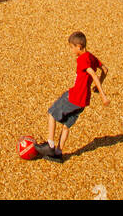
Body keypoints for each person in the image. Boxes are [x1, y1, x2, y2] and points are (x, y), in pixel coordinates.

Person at [36, 32, 109, 163]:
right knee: (66, 126)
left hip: (75, 96)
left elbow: (92, 73)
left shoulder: (82, 60)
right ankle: (58, 153)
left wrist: (103, 95)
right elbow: (105, 69)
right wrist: (99, 85)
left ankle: (50, 145)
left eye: (72, 47)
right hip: (83, 101)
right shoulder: (92, 57)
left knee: (52, 113)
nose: (71, 50)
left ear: (79, 46)